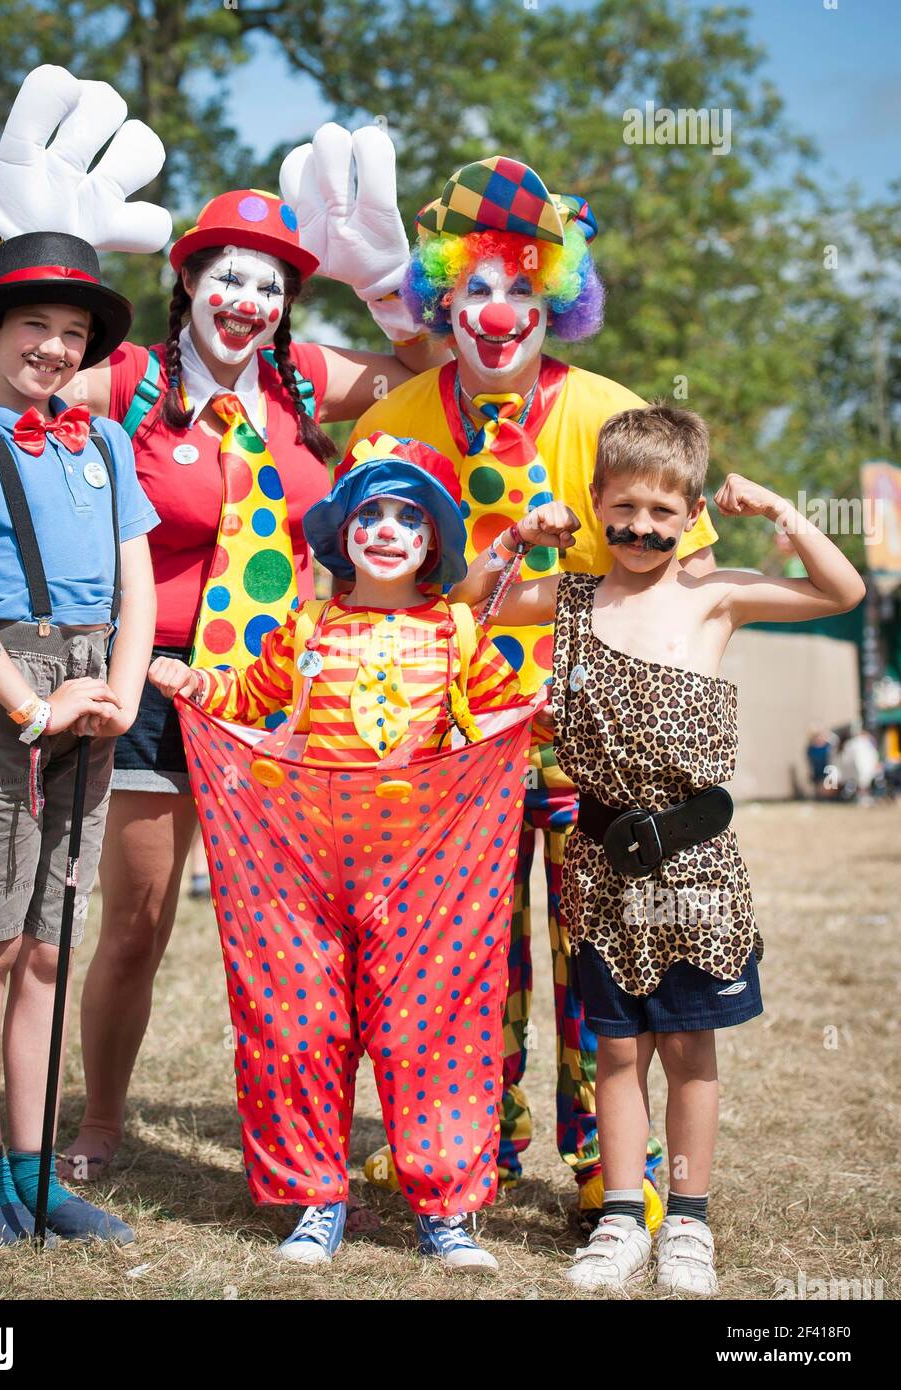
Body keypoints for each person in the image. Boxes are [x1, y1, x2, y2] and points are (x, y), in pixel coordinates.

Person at [0, 70, 448, 1180]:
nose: (248, 300)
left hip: (285, 700)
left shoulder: (304, 385)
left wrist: (386, 289)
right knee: (135, 919)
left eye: (269, 284)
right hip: (152, 693)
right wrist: (11, 245)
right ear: (189, 283)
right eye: (229, 276)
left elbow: (438, 370)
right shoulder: (122, 375)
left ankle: (313, 1143)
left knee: (313, 932)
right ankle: (99, 1123)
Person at [345, 155, 718, 1224]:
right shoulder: (395, 422)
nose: (498, 310)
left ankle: (609, 1155)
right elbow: (372, 587)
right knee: (458, 953)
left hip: (589, 734)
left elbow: (683, 577)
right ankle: (469, 1146)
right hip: (445, 735)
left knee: (597, 946)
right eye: (476, 286)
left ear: (555, 298)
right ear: (441, 299)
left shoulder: (611, 414)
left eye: (521, 285)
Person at [454, 404, 865, 1292]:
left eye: (662, 514)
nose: (640, 529)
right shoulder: (565, 599)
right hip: (598, 858)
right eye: (625, 507)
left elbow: (843, 594)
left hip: (694, 863)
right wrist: (521, 537)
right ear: (595, 500)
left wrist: (783, 516)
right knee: (615, 1049)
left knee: (688, 1049)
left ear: (689, 519)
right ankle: (620, 1219)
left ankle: (686, 1223)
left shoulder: (715, 599)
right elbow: (463, 607)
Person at [147, 433, 559, 1271]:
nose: (386, 528)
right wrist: (197, 685)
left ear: (433, 543)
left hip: (423, 873)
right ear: (341, 533)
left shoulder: (453, 629)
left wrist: (536, 713)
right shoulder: (305, 626)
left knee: (434, 1034)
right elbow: (247, 699)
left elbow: (495, 712)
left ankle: (445, 1210)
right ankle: (314, 1200)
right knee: (294, 1027)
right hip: (304, 868)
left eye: (409, 517)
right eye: (369, 512)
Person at [0, 230, 159, 1245]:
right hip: (1, 689)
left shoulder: (104, 443)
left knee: (51, 942)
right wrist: (27, 703)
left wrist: (124, 691)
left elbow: (136, 581)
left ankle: (32, 1166)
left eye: (73, 331)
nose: (54, 345)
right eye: (35, 326)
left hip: (92, 687)